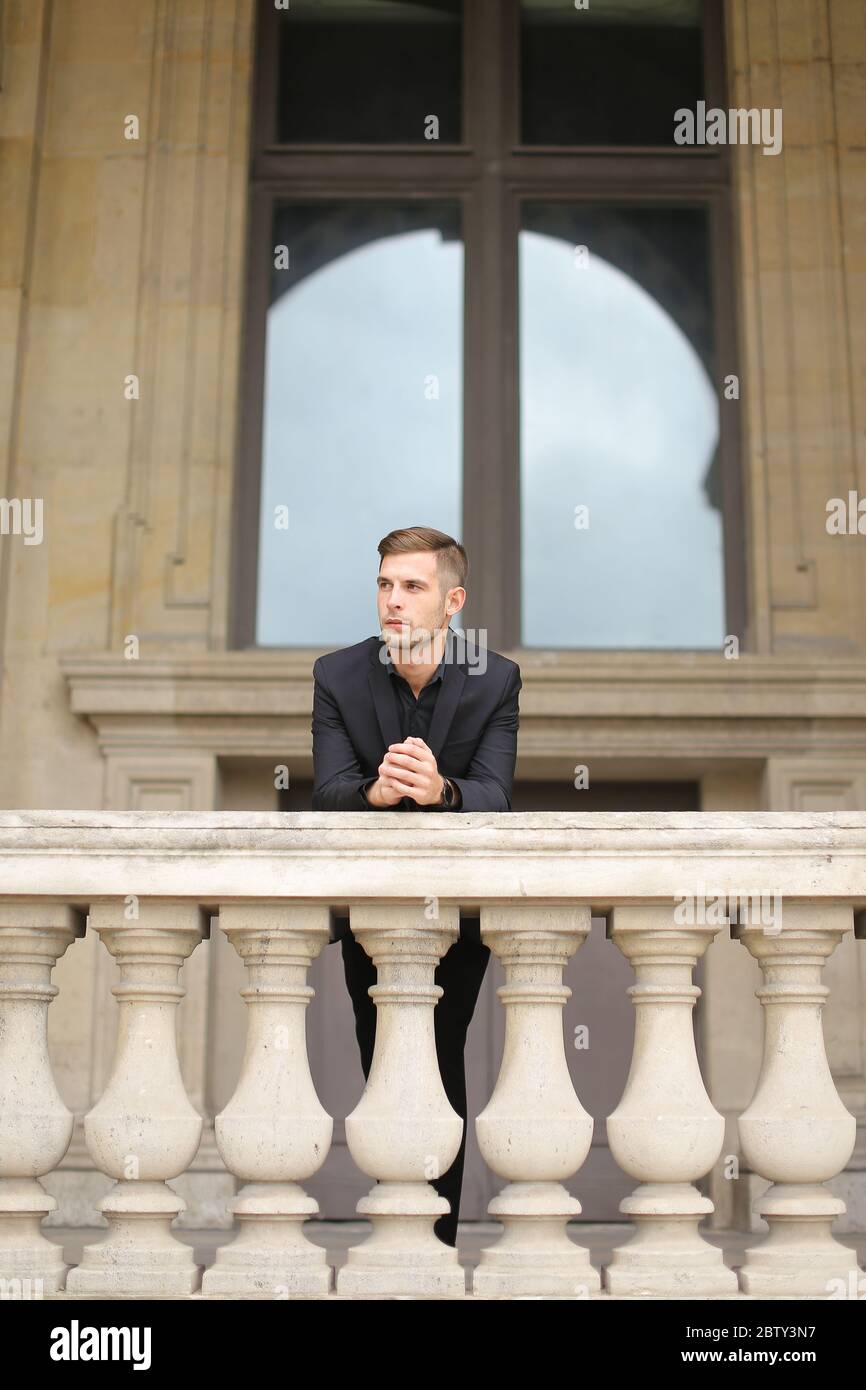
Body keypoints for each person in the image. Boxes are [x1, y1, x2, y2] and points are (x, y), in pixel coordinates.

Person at [311, 525, 521, 1246]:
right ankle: (394, 1227)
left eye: (412, 586)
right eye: (384, 585)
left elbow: (495, 795)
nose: (392, 601)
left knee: (441, 1057)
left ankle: (436, 1243)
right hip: (370, 908)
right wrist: (374, 793)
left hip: (455, 909)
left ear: (452, 602)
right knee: (381, 1061)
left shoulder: (495, 678)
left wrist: (442, 792)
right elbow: (327, 794)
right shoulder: (337, 674)